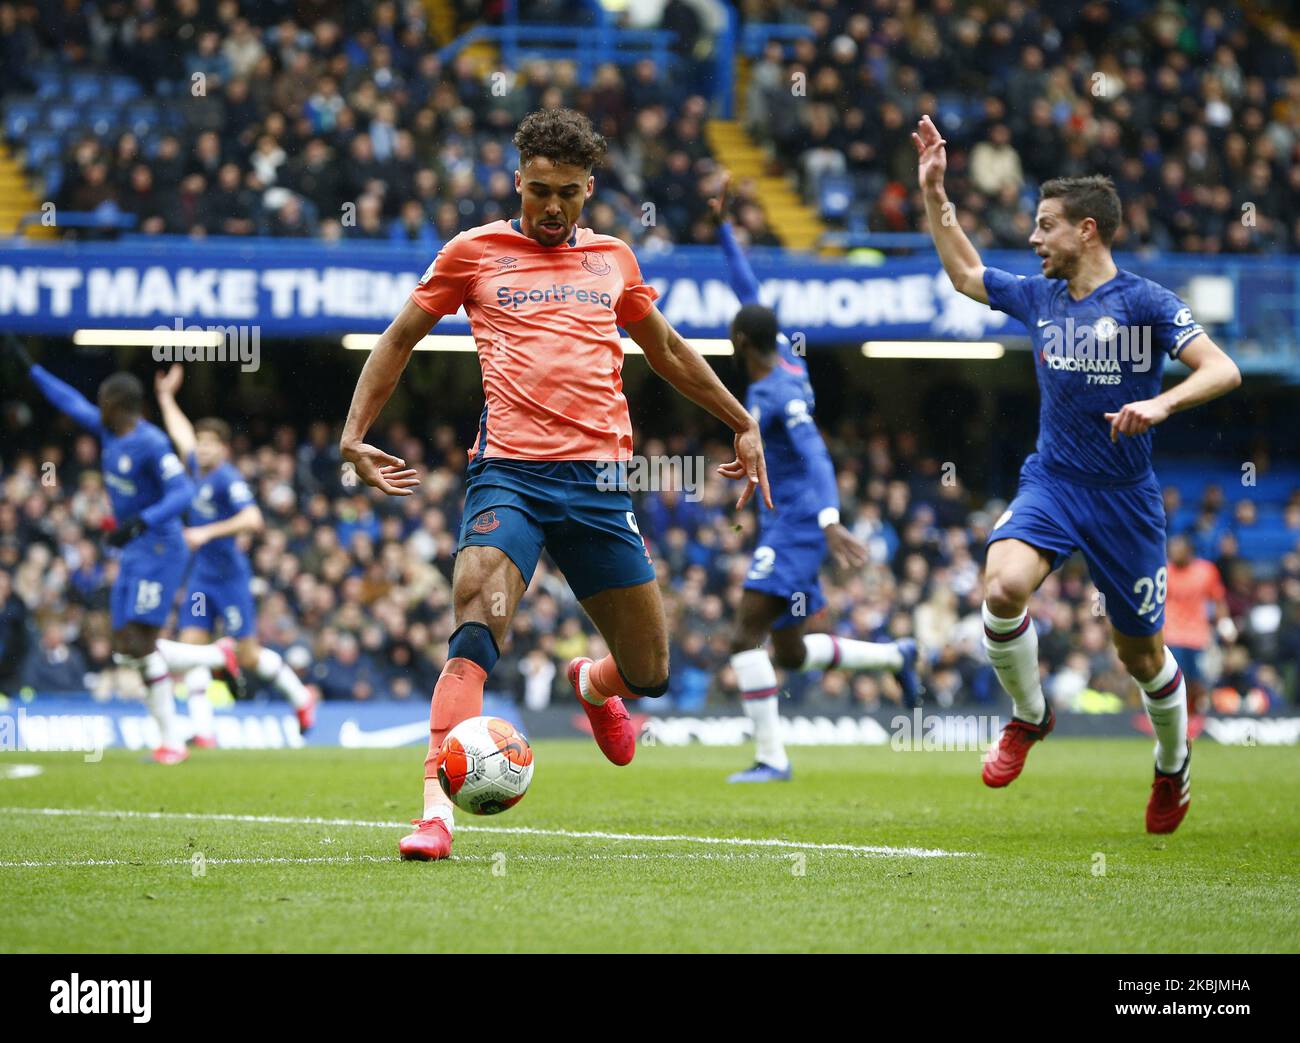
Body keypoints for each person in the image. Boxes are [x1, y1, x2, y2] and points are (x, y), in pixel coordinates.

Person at [338, 109, 771, 860]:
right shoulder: (473, 253)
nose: (550, 206)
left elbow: (664, 348)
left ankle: (594, 684)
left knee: (652, 673)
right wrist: (353, 435)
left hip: (601, 483)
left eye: (567, 193)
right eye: (538, 189)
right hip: (509, 474)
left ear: (589, 189)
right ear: (517, 181)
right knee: (476, 615)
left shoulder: (614, 260)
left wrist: (741, 420)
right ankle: (434, 812)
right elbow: (399, 337)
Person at [914, 115, 1241, 833]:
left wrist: (1161, 400)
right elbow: (967, 272)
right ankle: (1030, 715)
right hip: (1053, 482)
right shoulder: (1041, 298)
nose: (1034, 240)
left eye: (1045, 226)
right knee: (999, 588)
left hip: (1124, 499)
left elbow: (1223, 368)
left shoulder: (1148, 304)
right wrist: (936, 194)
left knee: (1142, 655)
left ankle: (1171, 762)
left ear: (1086, 230)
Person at [709, 174, 921, 783]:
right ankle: (894, 656)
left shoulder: (779, 389)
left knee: (744, 634)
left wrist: (828, 522)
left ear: (738, 341)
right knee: (790, 650)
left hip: (800, 521)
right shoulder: (781, 356)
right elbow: (749, 293)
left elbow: (818, 454)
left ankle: (772, 758)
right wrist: (724, 230)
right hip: (785, 517)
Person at [3, 336, 244, 764]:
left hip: (160, 546)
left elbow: (184, 492)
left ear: (117, 404)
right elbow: (69, 401)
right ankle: (215, 655)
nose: (96, 406)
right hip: (134, 548)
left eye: (102, 400)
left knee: (140, 640)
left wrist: (139, 521)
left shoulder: (150, 443)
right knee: (124, 646)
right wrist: (31, 369)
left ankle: (171, 741)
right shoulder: (106, 430)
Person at [154, 364, 319, 744]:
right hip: (200, 578)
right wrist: (165, 397)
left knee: (246, 656)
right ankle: (203, 730)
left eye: (209, 442)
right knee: (192, 648)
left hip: (229, 578)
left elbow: (254, 519)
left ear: (223, 449)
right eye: (201, 441)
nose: (202, 446)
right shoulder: (195, 466)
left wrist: (205, 532)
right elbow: (179, 432)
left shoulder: (228, 479)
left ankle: (301, 697)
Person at [1164, 532, 1234, 710]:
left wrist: (1225, 623)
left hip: (1198, 637)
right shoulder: (1163, 571)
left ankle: (1195, 717)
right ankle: (1175, 718)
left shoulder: (1206, 571)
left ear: (1189, 550)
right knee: (1174, 681)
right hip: (1171, 636)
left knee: (1198, 683)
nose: (1172, 551)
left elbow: (1218, 600)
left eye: (1177, 548)